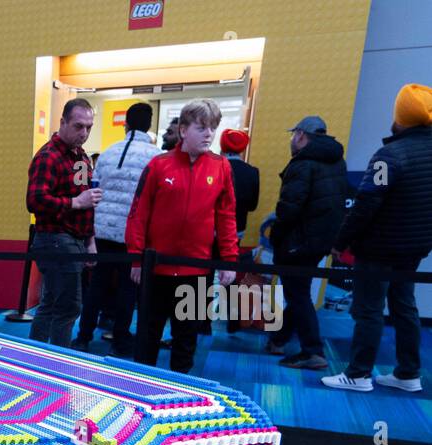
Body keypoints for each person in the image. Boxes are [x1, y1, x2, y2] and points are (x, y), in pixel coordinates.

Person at [324, 83, 432, 393]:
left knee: (368, 310)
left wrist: (340, 241)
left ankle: (358, 375)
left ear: (401, 117)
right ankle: (408, 373)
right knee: (405, 307)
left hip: (378, 249)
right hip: (414, 249)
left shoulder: (389, 156)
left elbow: (366, 204)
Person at [126, 98, 239, 374]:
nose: (209, 134)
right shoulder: (158, 165)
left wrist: (229, 259)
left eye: (212, 127)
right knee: (148, 337)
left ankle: (178, 396)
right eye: (202, 127)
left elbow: (226, 216)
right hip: (157, 269)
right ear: (183, 130)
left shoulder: (221, 167)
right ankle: (141, 389)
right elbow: (138, 213)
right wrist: (137, 260)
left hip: (197, 271)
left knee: (186, 340)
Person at [74, 102, 160, 355]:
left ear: (127, 124)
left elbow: (93, 187)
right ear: (149, 125)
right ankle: (120, 338)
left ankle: (83, 336)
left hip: (101, 229)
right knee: (128, 287)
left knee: (97, 285)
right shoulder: (155, 157)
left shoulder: (109, 152)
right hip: (132, 233)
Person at [265, 117, 347, 369]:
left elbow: (288, 208)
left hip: (297, 241)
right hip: (320, 240)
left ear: (301, 135)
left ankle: (313, 350)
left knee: (298, 294)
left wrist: (276, 237)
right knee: (298, 291)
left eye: (293, 135)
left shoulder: (302, 165)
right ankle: (279, 340)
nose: (291, 140)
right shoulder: (337, 162)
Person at [26, 98, 101, 347]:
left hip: (74, 240)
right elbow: (35, 201)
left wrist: (90, 242)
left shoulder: (80, 156)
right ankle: (57, 364)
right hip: (55, 239)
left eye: (89, 127)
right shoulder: (48, 156)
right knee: (67, 308)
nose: (84, 133)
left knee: (52, 304)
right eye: (79, 126)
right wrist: (75, 203)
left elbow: (86, 199)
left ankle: (37, 358)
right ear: (63, 123)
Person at [218, 129, 260, 335]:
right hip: (237, 230)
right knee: (230, 275)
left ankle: (201, 322)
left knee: (203, 273)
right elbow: (253, 205)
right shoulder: (252, 172)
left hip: (211, 229)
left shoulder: (214, 167)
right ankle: (233, 320)